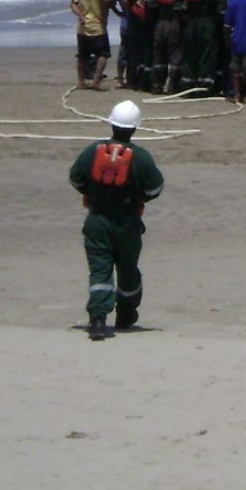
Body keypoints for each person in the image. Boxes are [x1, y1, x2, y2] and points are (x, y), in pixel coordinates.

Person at [68, 99, 164, 341]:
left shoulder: (92, 151)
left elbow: (75, 178)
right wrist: (137, 198)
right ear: (135, 128)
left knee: (100, 270)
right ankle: (126, 314)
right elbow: (155, 188)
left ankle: (98, 319)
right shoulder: (140, 157)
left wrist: (91, 193)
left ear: (111, 123)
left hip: (97, 220)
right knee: (128, 269)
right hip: (127, 223)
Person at [147, 0, 190, 94]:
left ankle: (156, 86)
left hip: (160, 24)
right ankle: (173, 87)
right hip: (175, 25)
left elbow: (151, 5)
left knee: (159, 57)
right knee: (176, 57)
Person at [71, 0, 114, 91]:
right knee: (103, 54)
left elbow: (73, 3)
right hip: (97, 26)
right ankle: (96, 81)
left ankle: (81, 82)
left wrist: (81, 15)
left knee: (82, 56)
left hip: (83, 26)